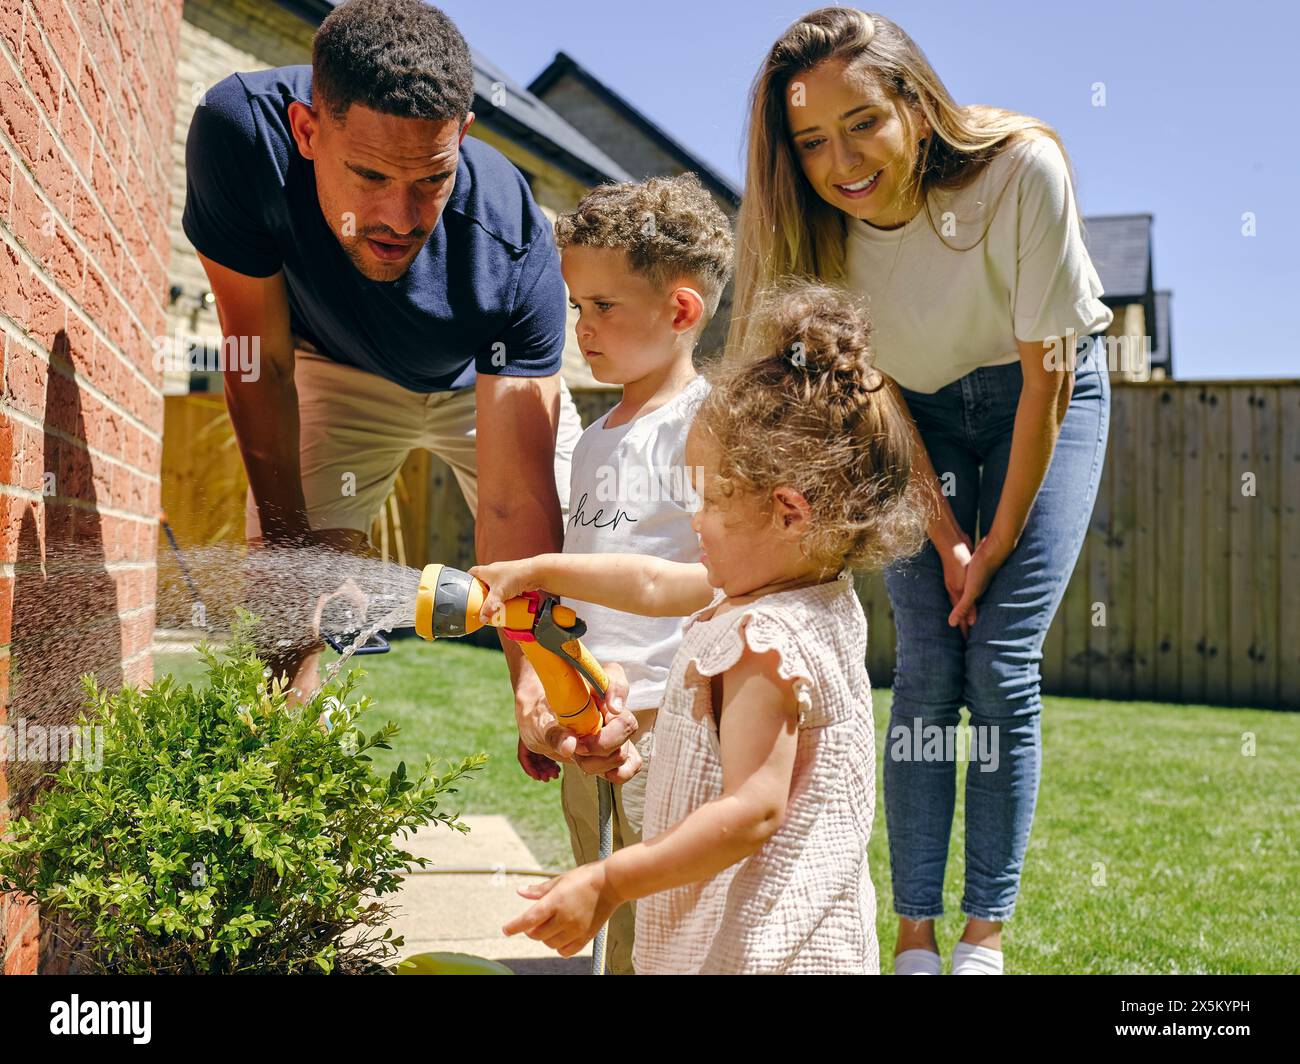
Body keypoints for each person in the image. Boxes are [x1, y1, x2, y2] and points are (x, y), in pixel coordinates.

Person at [729, 7, 1114, 974]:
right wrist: (942, 536)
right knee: (929, 668)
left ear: (913, 99)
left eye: (863, 121)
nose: (841, 160)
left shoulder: (1020, 170)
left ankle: (981, 938)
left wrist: (995, 542)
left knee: (999, 659)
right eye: (811, 140)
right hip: (918, 425)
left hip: (1044, 395)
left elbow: (1049, 378)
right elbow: (881, 399)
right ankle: (912, 935)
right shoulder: (818, 233)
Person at [182, 0, 636, 785]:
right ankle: (287, 843)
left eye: (431, 180)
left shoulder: (511, 237)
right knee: (282, 611)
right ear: (306, 131)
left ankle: (606, 800)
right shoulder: (239, 134)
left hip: (475, 386)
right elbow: (260, 359)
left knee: (584, 583)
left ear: (460, 134)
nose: (399, 216)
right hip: (327, 366)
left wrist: (530, 685)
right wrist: (297, 551)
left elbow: (509, 506)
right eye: (369, 176)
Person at [473, 281, 929, 974]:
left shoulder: (764, 642)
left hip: (763, 951)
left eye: (711, 498)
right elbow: (653, 583)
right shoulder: (815, 598)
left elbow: (751, 810)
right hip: (809, 936)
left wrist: (610, 878)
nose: (695, 521)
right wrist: (536, 569)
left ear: (788, 511)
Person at [525, 172, 733, 974]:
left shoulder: (703, 426)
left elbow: (717, 577)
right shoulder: (598, 433)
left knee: (667, 914)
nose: (583, 327)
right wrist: (551, 693)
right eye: (577, 307)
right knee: (603, 898)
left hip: (665, 718)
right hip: (588, 711)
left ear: (680, 311)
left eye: (603, 307)